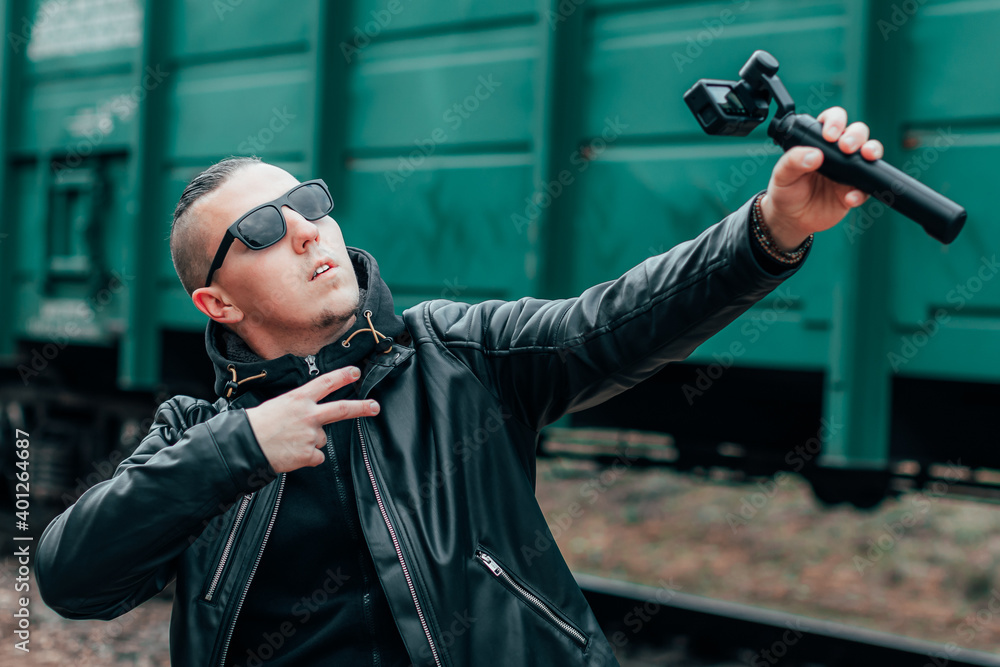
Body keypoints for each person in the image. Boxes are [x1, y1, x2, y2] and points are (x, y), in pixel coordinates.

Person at [36, 107, 883, 666]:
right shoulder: (195, 433)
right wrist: (242, 447)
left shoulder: (455, 351)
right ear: (215, 300)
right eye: (261, 230)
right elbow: (71, 579)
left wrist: (769, 231)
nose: (303, 230)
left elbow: (617, 321)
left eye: (307, 200)